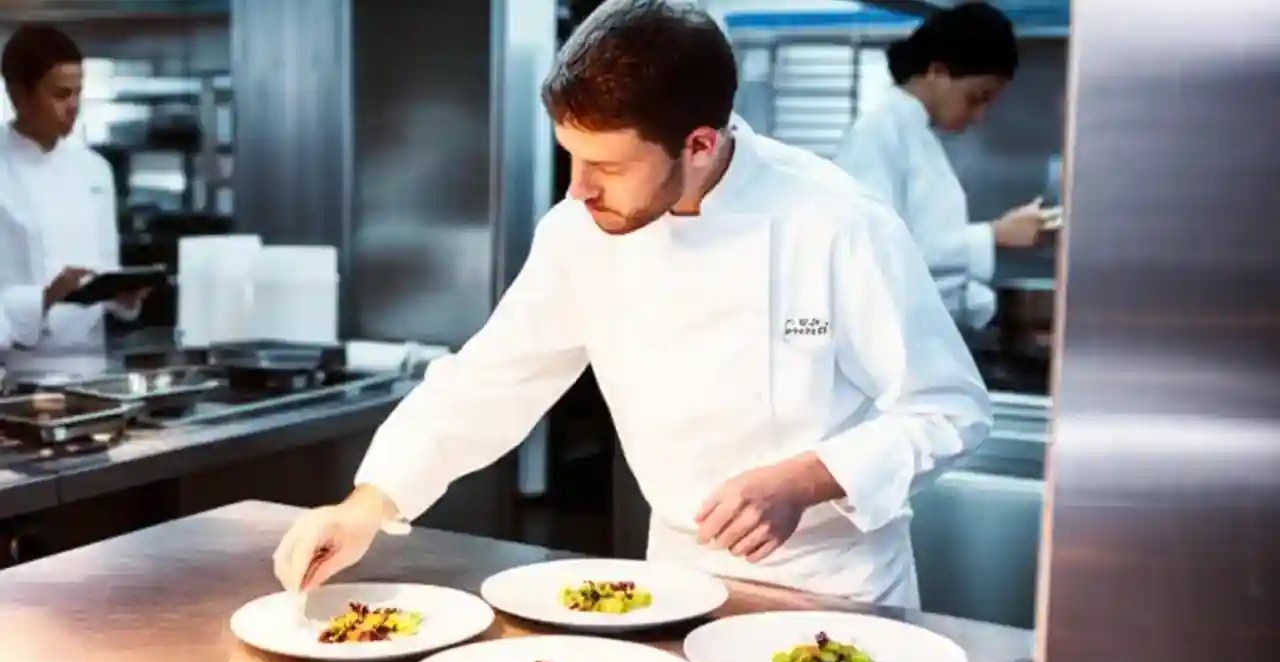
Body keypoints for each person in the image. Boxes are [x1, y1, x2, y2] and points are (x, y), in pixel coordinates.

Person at [273, 0, 992, 608]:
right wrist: (366, 504)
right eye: (570, 157)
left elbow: (950, 409)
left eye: (607, 167)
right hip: (675, 582)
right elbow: (491, 379)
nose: (577, 190)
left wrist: (805, 479)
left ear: (701, 145)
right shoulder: (579, 230)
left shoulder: (839, 222)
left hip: (836, 588)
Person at [832, 2, 1048, 330]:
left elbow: (932, 271)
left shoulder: (916, 132)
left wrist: (989, 308)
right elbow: (878, 252)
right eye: (976, 98)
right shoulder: (879, 132)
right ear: (938, 73)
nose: (978, 116)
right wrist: (994, 236)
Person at [0, 24, 146, 370]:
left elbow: (106, 269)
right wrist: (44, 298)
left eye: (78, 93)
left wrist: (122, 295)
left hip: (92, 370)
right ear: (18, 94)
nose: (73, 107)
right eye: (60, 94)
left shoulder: (95, 170)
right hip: (17, 373)